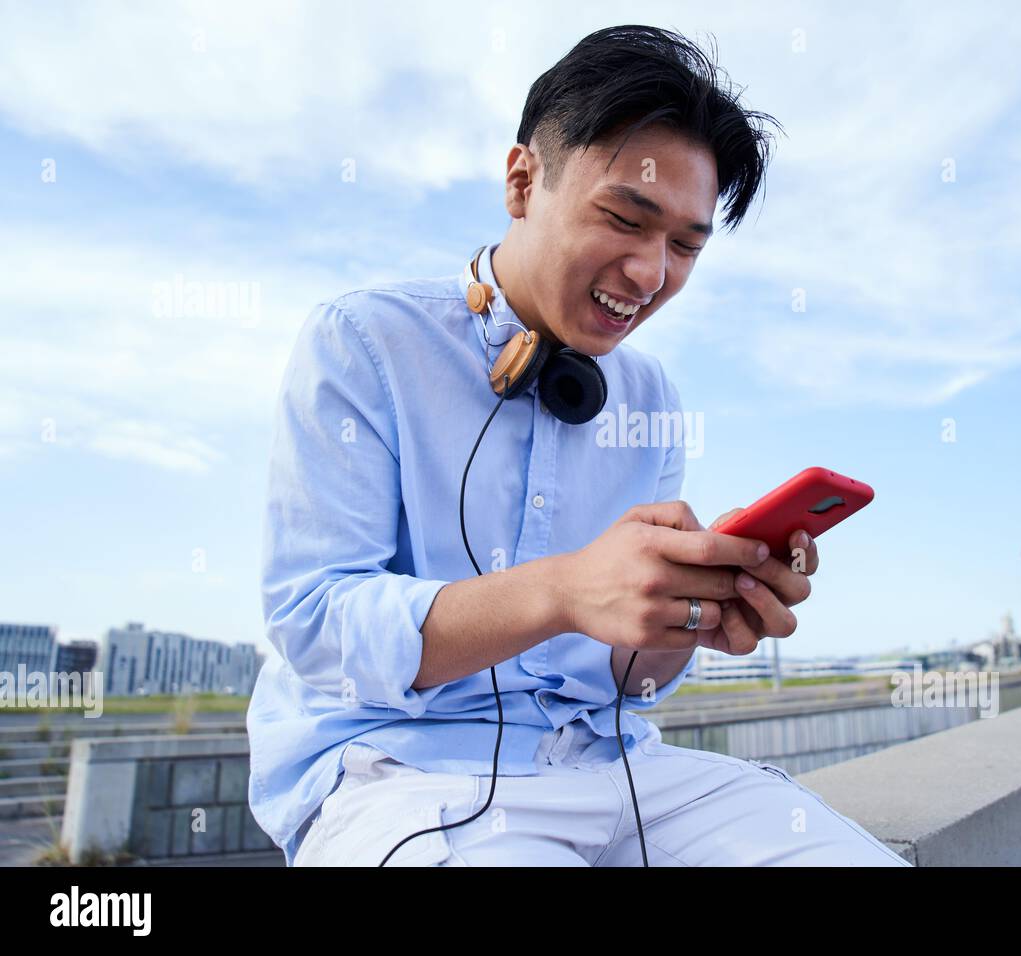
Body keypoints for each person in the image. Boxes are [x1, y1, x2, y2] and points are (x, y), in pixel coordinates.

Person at [247, 24, 909, 867]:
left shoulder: (651, 397)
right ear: (522, 181)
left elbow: (631, 681)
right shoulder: (363, 341)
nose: (649, 273)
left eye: (683, 245)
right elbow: (316, 625)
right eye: (625, 219)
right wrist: (563, 590)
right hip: (398, 774)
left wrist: (695, 611)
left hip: (619, 768)